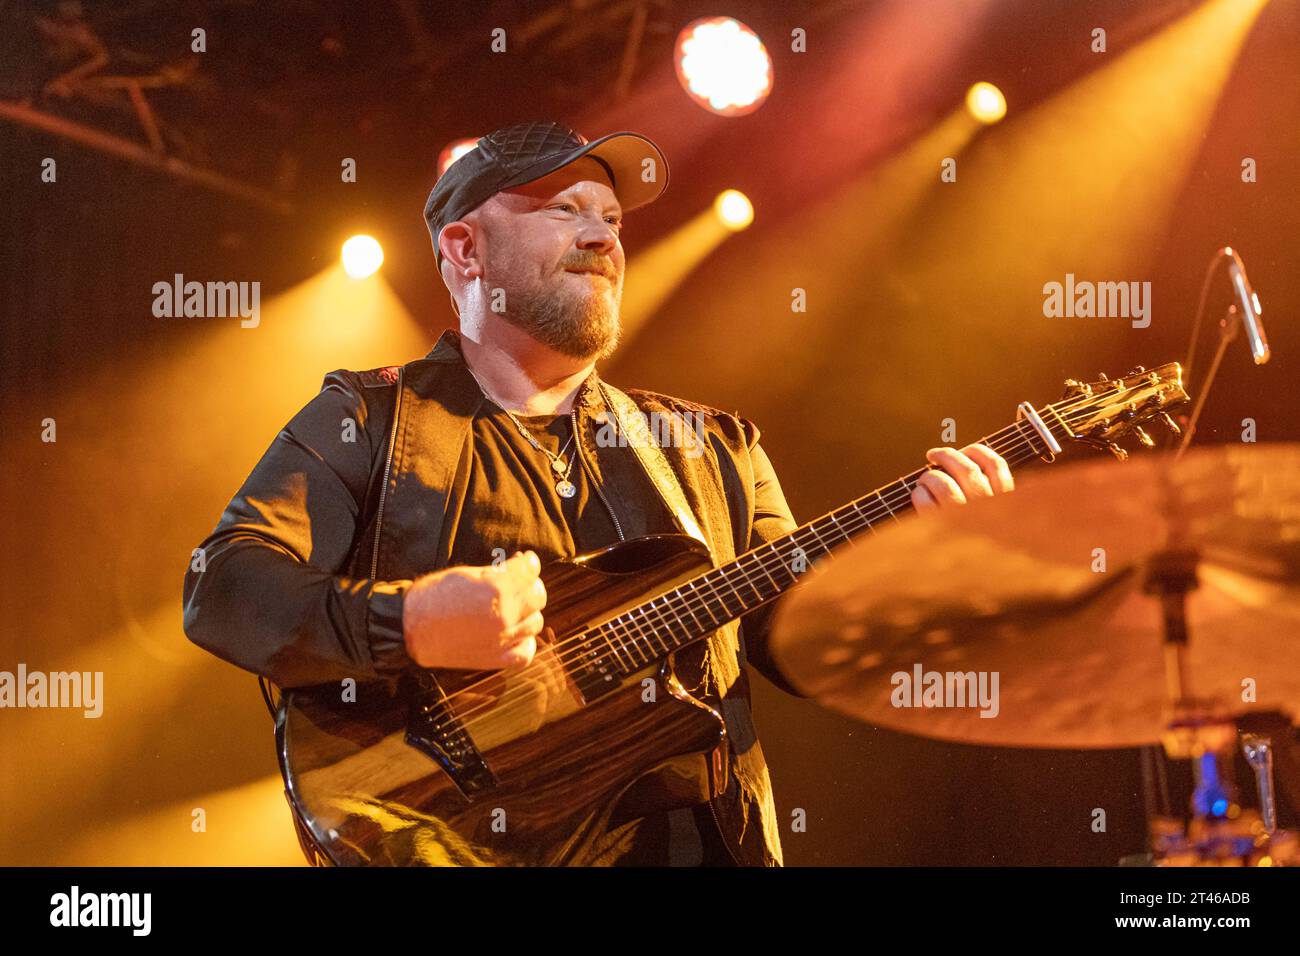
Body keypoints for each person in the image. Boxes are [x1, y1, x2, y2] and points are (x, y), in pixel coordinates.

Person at [181, 120, 1015, 867]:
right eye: (563, 210)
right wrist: (410, 624)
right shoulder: (367, 417)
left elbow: (805, 643)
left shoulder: (715, 446)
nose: (602, 237)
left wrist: (925, 568)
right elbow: (222, 589)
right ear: (466, 251)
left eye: (612, 219)